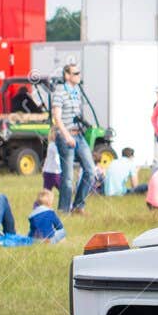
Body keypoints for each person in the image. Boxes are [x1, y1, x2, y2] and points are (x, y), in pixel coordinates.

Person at [51, 63, 97, 214]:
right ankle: (64, 210)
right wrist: (66, 136)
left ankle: (78, 206)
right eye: (75, 73)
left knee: (91, 171)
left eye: (79, 73)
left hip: (79, 135)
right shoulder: (59, 92)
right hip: (66, 136)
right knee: (68, 177)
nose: (79, 76)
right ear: (67, 76)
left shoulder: (77, 91)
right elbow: (57, 118)